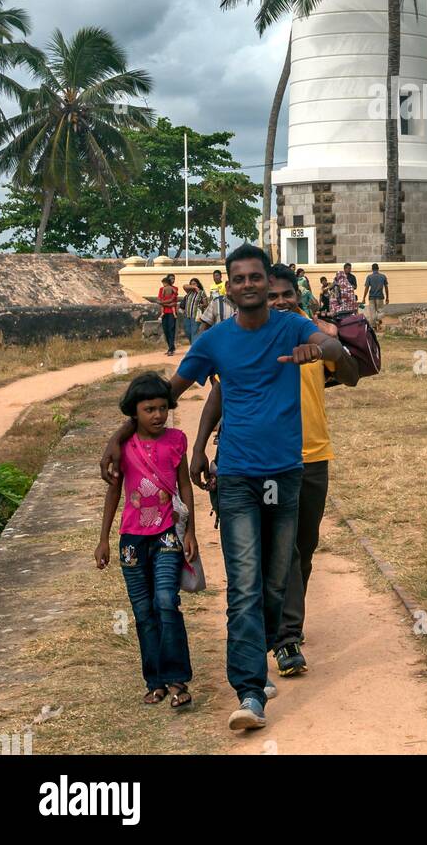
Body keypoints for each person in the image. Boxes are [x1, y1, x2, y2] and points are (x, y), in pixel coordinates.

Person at [100, 244, 345, 734]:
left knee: (276, 580)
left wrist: (319, 348)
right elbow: (167, 396)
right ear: (229, 287)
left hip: (285, 476)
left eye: (257, 277)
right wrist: (122, 432)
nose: (250, 285)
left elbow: (335, 348)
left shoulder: (292, 325)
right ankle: (250, 692)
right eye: (241, 279)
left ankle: (266, 645)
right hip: (235, 478)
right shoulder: (214, 342)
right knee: (246, 583)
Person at [192, 268, 359, 678]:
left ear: (298, 298)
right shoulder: (254, 341)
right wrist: (198, 444)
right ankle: (286, 639)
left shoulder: (312, 338)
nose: (281, 301)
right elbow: (220, 393)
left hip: (312, 458)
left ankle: (280, 619)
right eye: (275, 295)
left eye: (288, 294)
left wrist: (332, 349)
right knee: (276, 553)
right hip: (261, 463)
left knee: (302, 549)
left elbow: (353, 376)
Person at [94, 372, 196, 709]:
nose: (157, 415)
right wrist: (104, 539)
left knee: (166, 601)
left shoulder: (176, 440)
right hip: (131, 541)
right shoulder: (123, 447)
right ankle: (155, 681)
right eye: (149, 409)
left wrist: (190, 530)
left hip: (167, 535)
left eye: (163, 408)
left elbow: (184, 488)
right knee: (142, 612)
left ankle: (178, 679)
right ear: (134, 412)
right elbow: (113, 492)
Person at [180, 278, 208, 345]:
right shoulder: (189, 292)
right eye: (191, 284)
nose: (193, 285)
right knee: (188, 332)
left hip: (195, 316)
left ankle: (193, 348)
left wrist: (202, 305)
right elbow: (184, 286)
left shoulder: (201, 292)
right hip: (187, 315)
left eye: (195, 283)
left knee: (194, 332)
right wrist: (194, 287)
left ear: (198, 284)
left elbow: (206, 304)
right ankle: (194, 345)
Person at [362, 263, 389, 328]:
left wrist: (364, 297)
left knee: (372, 312)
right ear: (378, 268)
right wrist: (387, 297)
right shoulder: (383, 276)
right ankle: (378, 320)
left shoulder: (369, 277)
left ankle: (374, 326)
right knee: (380, 311)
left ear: (372, 269)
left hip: (371, 297)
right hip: (380, 297)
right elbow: (386, 288)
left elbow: (367, 288)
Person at [157, 275, 179, 355]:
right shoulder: (162, 289)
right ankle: (171, 347)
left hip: (171, 312)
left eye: (174, 278)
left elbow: (173, 299)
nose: (173, 280)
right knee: (166, 330)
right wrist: (168, 304)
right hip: (165, 312)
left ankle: (171, 349)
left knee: (171, 330)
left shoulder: (175, 288)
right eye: (171, 278)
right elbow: (159, 299)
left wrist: (163, 303)